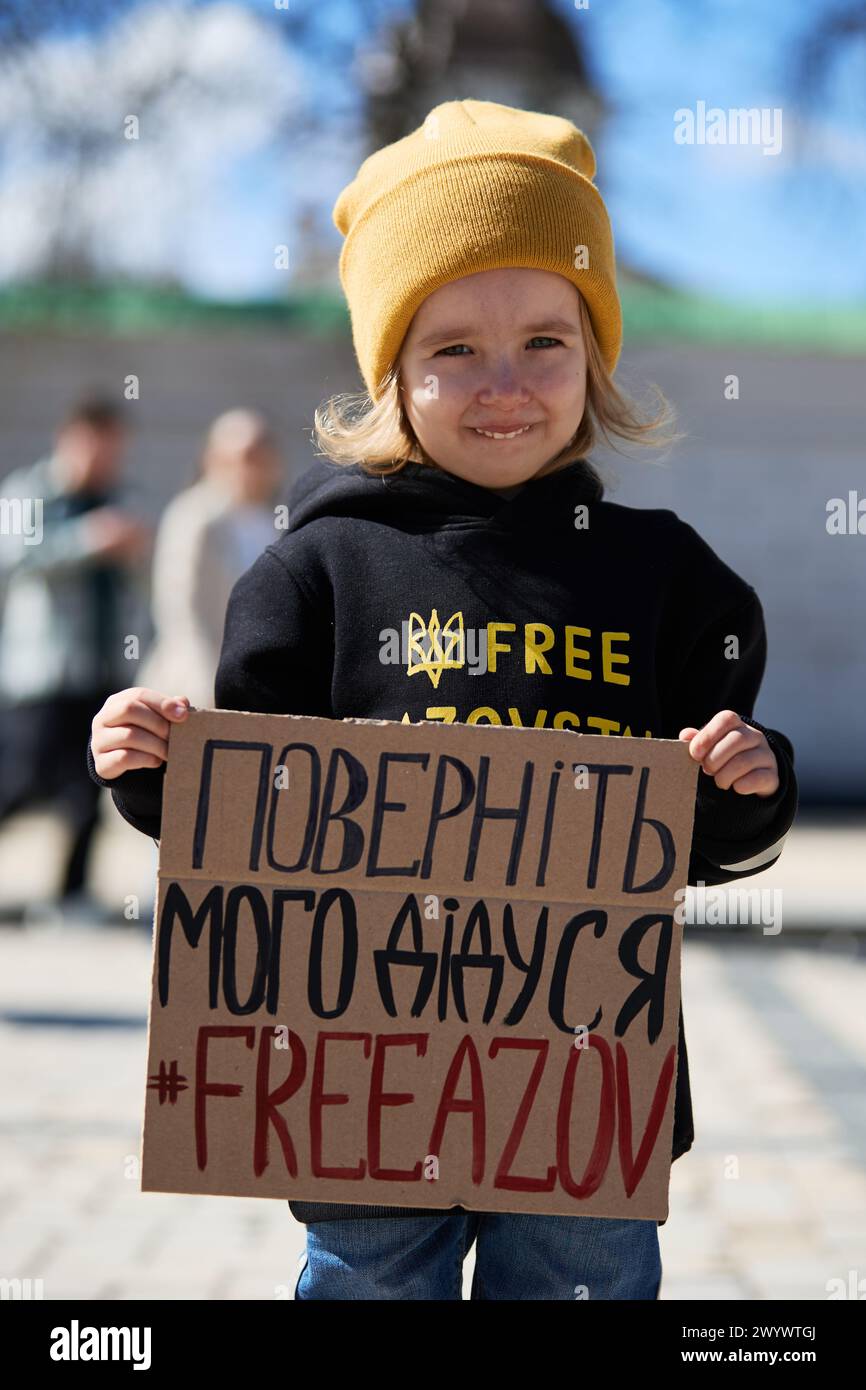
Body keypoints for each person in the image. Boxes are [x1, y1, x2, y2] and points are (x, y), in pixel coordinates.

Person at [86, 100, 798, 1299]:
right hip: (362, 1066)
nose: (502, 383)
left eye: (544, 342)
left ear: (596, 357)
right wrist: (158, 772)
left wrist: (742, 782)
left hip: (582, 1077)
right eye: (452, 347)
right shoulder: (313, 571)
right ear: (391, 373)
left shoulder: (667, 576)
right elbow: (248, 818)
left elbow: (707, 821)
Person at [0, 393, 151, 915]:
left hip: (101, 667)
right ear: (72, 439)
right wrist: (88, 541)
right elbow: (13, 556)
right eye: (98, 448)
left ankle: (70, 896)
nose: (106, 461)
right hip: (42, 673)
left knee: (92, 784)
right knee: (19, 779)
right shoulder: (29, 493)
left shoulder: (119, 498)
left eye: (115, 450)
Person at [135, 409, 283, 709]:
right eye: (243, 457)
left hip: (256, 688)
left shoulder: (274, 520)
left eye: (260, 456)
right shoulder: (194, 517)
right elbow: (183, 613)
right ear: (214, 460)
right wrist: (211, 692)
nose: (251, 468)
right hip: (193, 691)